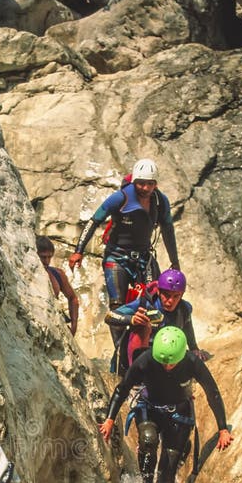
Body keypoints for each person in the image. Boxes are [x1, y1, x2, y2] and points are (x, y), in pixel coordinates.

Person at [98, 326, 233, 483]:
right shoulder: (146, 360)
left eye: (172, 363)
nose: (167, 366)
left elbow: (212, 391)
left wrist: (222, 428)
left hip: (179, 413)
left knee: (167, 472)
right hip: (150, 408)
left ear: (181, 355)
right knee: (148, 440)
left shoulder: (192, 362)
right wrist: (110, 418)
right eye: (163, 362)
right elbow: (122, 389)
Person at [68, 160, 180, 315]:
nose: (145, 188)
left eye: (150, 184)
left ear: (156, 184)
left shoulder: (161, 202)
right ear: (134, 182)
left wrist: (174, 261)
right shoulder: (121, 198)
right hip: (117, 257)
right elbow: (94, 221)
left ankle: (150, 338)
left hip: (144, 258)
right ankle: (120, 338)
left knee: (154, 300)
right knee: (117, 308)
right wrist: (78, 251)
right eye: (141, 183)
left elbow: (168, 230)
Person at [105, 269, 208, 373]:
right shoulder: (145, 304)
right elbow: (110, 316)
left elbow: (187, 327)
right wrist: (132, 319)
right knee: (142, 325)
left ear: (182, 294)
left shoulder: (185, 309)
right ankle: (138, 379)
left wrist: (194, 348)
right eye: (167, 295)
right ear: (159, 291)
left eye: (176, 296)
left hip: (164, 358)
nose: (171, 301)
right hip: (135, 360)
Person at [36, 235, 79, 335]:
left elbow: (73, 299)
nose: (46, 261)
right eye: (43, 257)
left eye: (49, 257)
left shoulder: (57, 274)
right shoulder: (27, 273)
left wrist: (74, 326)